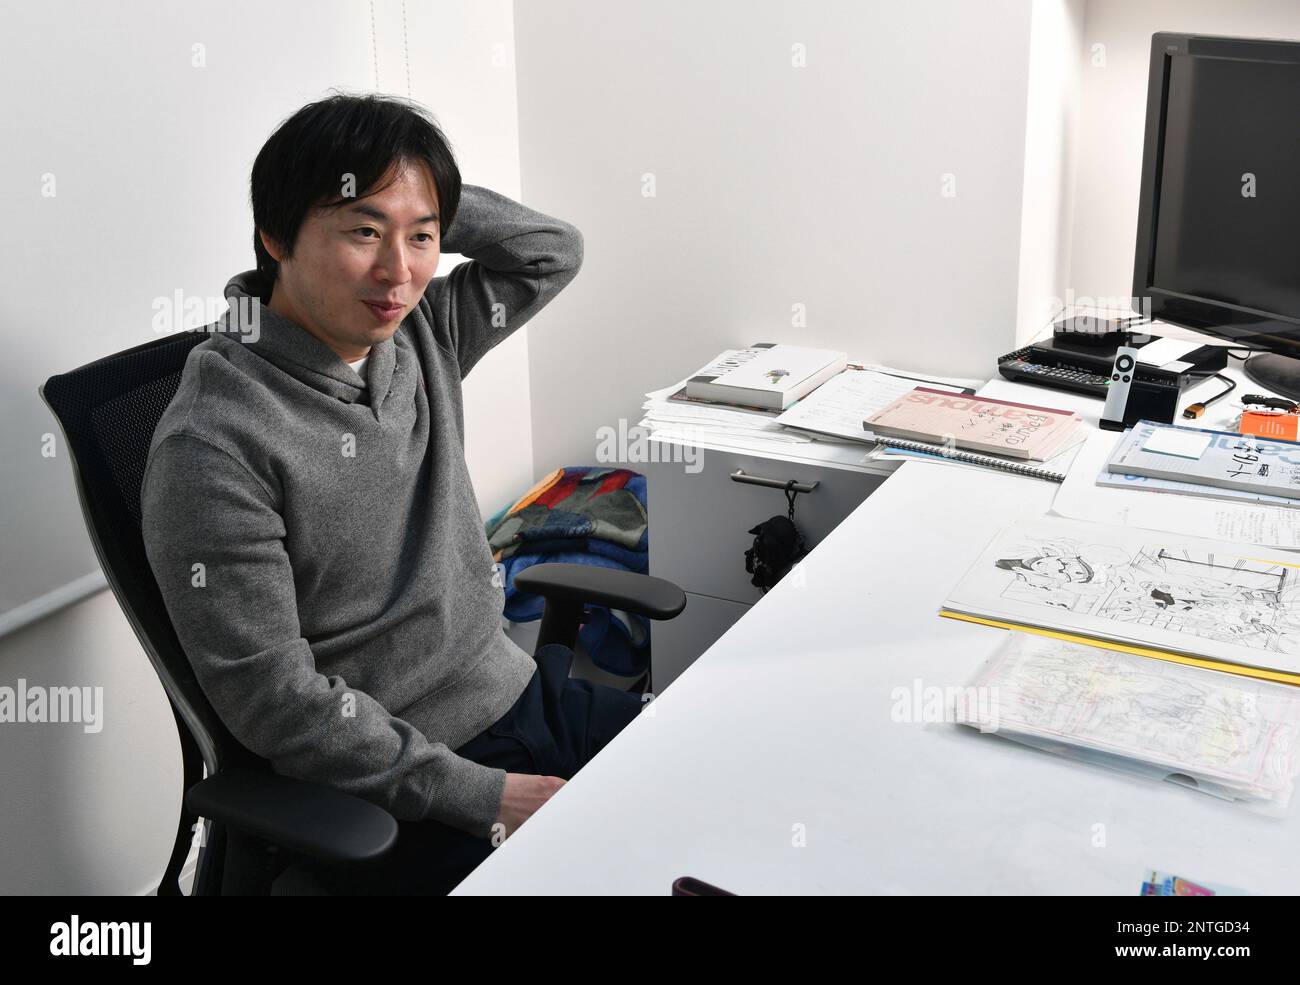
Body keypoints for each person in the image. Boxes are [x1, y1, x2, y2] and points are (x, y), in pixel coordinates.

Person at [140, 91, 643, 894]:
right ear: (275, 236)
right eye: (363, 231)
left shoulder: (419, 333)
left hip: (520, 696)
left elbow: (552, 252)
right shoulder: (214, 444)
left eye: (423, 238)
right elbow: (277, 703)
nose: (399, 272)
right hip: (401, 784)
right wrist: (481, 795)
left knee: (728, 777)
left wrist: (416, 186)